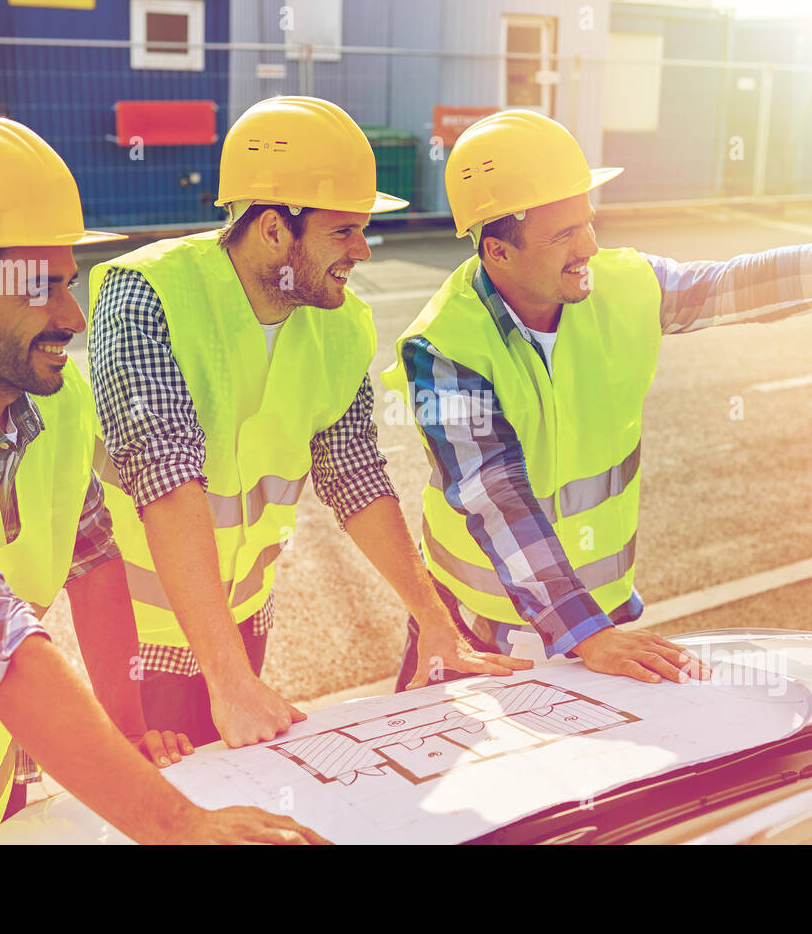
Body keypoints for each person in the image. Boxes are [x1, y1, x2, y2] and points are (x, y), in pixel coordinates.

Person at [381, 109, 812, 691]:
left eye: (588, 221)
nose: (590, 245)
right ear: (497, 250)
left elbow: (754, 283)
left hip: (600, 622)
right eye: (564, 235)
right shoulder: (444, 347)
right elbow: (494, 494)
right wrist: (583, 632)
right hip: (479, 631)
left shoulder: (626, 285)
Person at [0, 117, 325, 844]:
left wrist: (131, 732)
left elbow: (93, 557)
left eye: (69, 282)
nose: (74, 316)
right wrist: (176, 825)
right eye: (39, 288)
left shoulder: (58, 403)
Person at [87, 96, 530, 751]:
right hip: (136, 634)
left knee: (233, 795)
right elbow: (165, 475)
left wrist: (435, 622)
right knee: (154, 809)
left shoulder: (340, 323)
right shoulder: (146, 294)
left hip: (239, 619)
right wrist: (228, 680)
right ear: (273, 229)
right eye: (343, 231)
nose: (362, 251)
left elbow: (354, 475)